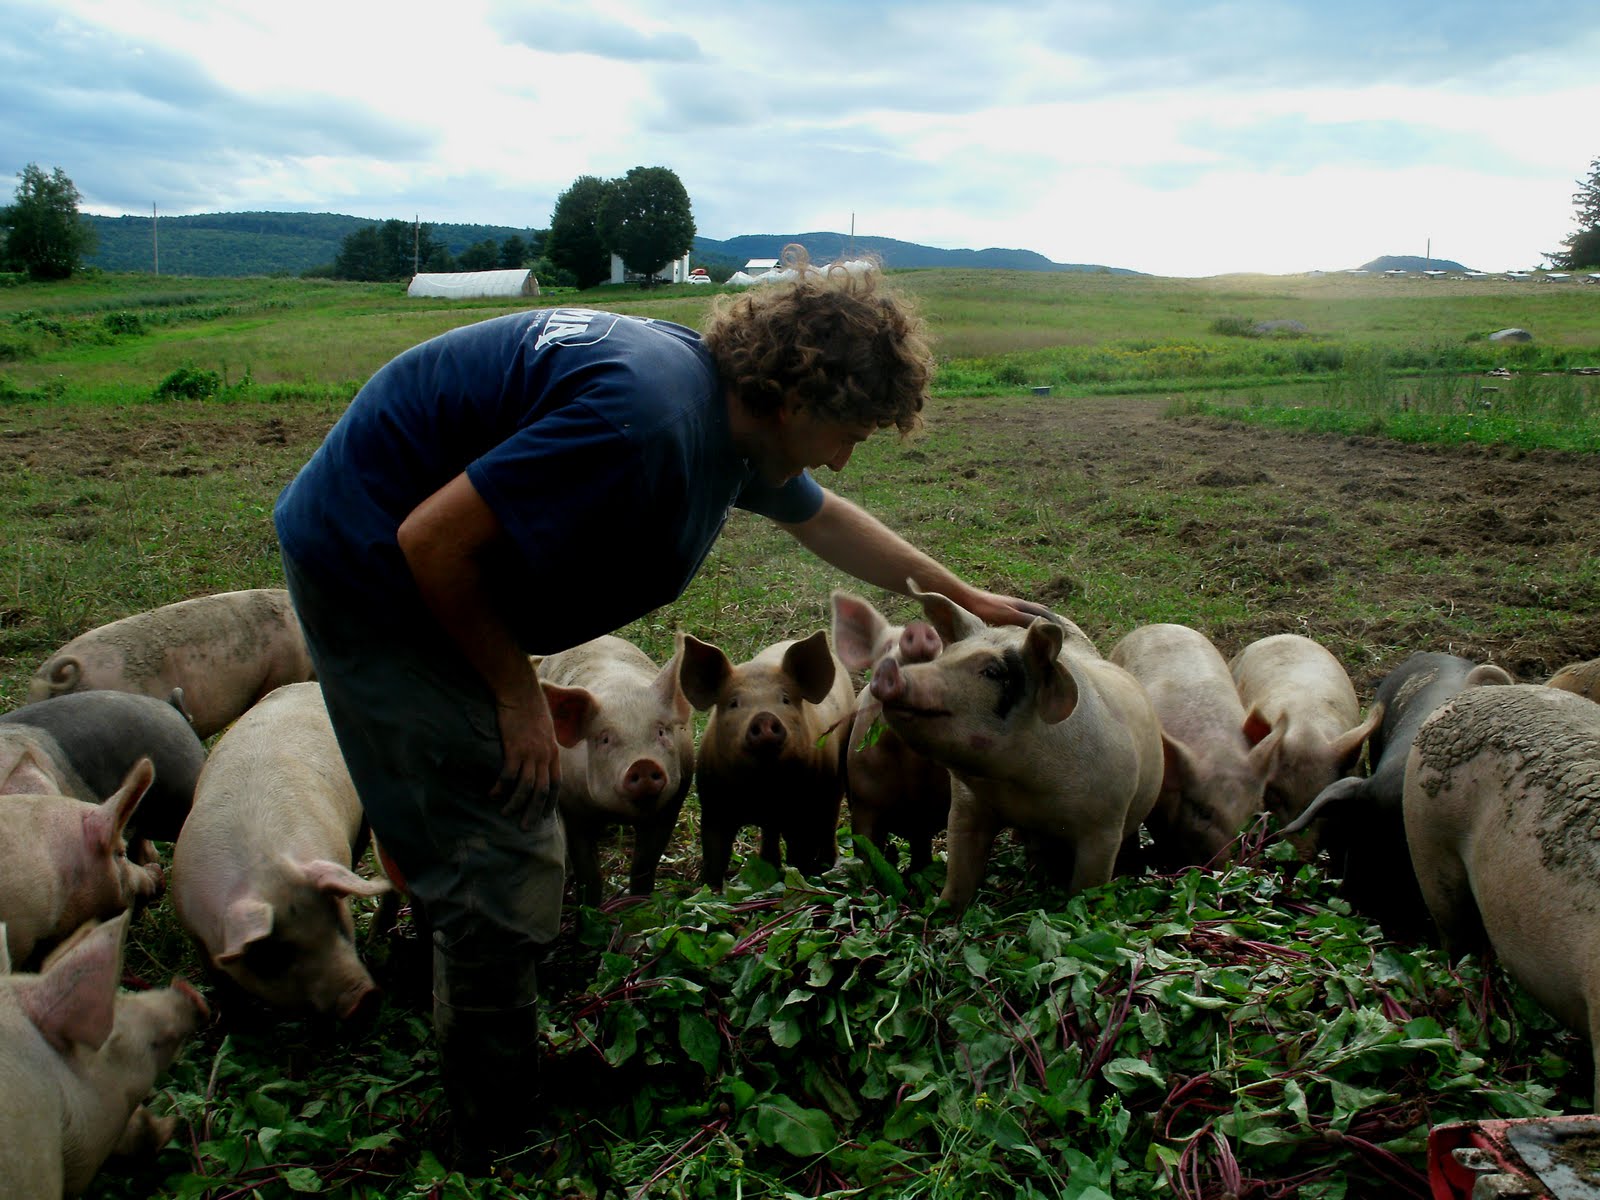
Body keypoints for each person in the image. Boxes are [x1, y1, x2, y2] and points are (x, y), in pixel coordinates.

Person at [272, 264, 1045, 1166]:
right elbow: (431, 540)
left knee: (465, 792)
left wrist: (960, 593)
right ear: (797, 395)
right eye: (849, 431)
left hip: (426, 564)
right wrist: (516, 694)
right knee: (509, 826)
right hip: (372, 569)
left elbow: (825, 516)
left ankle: (442, 941)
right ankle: (495, 1130)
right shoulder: (648, 424)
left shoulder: (722, 421)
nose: (842, 455)